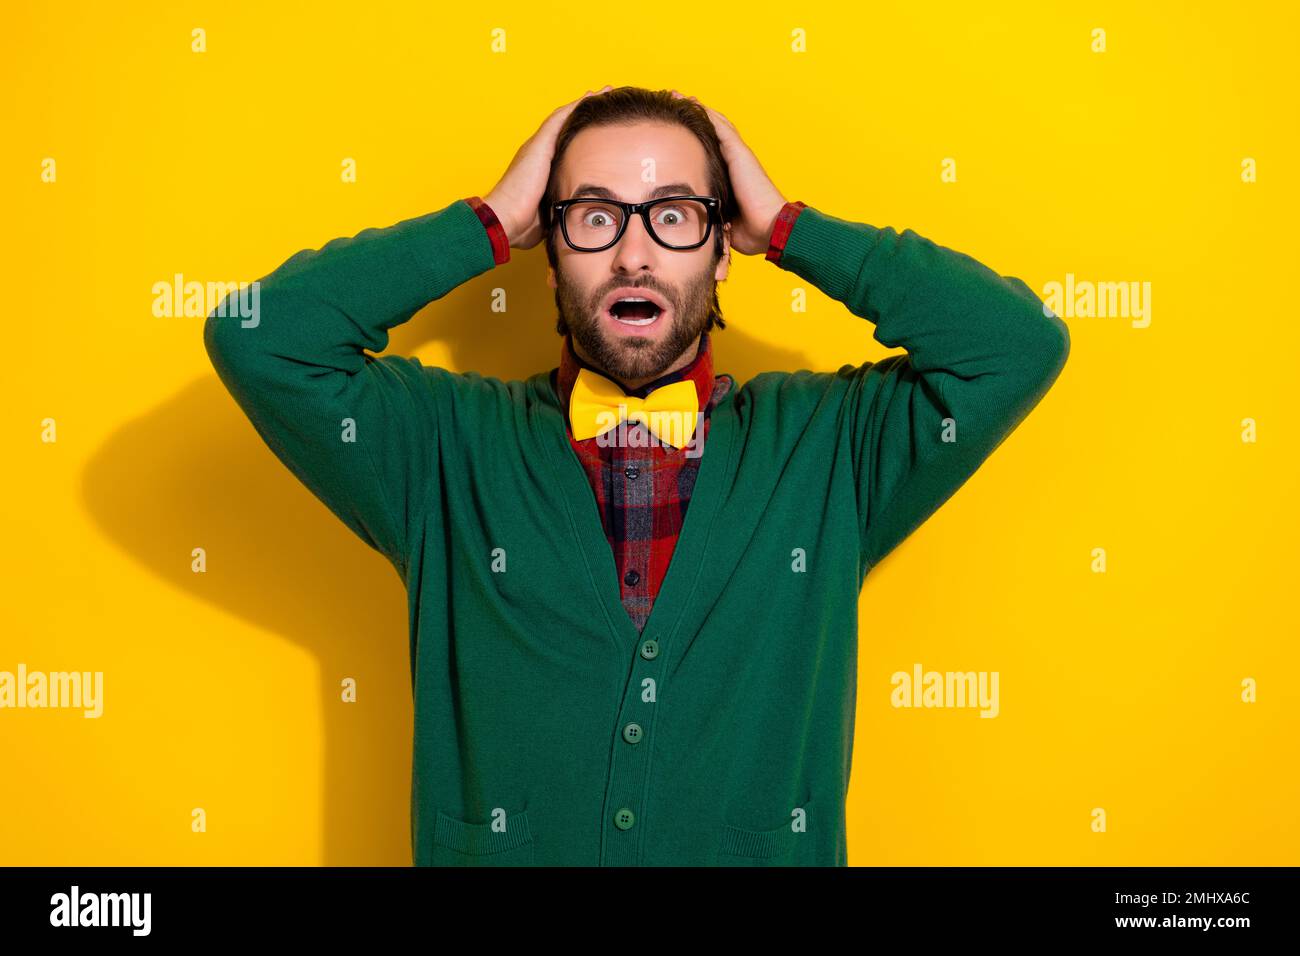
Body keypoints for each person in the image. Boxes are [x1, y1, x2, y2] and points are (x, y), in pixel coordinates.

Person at [204, 85, 1070, 866]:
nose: (633, 255)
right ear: (549, 252)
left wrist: (787, 226)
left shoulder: (834, 447)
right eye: (594, 217)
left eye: (674, 215)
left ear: (722, 250)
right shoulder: (439, 447)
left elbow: (1017, 344)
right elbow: (257, 336)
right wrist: (491, 219)